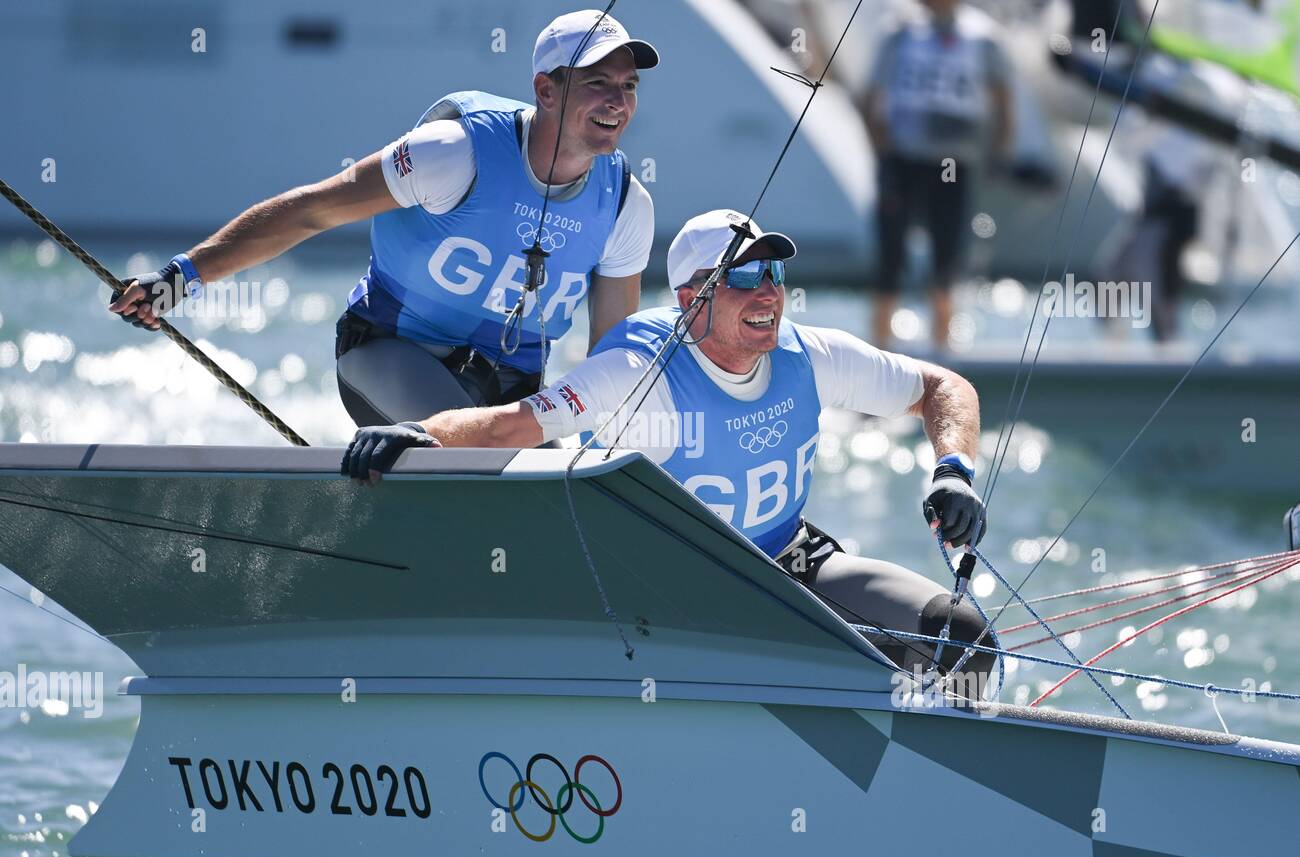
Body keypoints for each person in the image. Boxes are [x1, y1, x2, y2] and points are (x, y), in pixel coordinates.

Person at [342, 208, 996, 681]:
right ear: (691, 300)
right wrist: (421, 434)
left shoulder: (809, 353)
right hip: (668, 585)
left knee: (964, 645)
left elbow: (941, 387)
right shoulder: (636, 369)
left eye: (772, 272)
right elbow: (514, 423)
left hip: (790, 564)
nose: (767, 291)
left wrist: (954, 471)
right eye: (742, 277)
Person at [108, 10, 659, 424]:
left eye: (628, 86)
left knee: (558, 490)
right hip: (390, 357)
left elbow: (611, 359)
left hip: (505, 393)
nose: (618, 101)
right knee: (470, 458)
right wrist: (183, 275)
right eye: (597, 83)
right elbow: (311, 211)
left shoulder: (625, 204)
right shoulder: (453, 152)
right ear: (545, 89)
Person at [861, 0, 1013, 350]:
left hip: (953, 164)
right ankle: (878, 351)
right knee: (890, 255)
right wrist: (882, 154)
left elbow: (1004, 100)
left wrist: (999, 153)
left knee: (946, 256)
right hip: (902, 159)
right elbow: (872, 97)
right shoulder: (899, 32)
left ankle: (942, 356)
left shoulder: (983, 36)